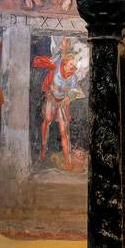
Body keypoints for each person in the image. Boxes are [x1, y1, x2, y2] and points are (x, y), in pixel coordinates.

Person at [32, 39, 84, 171]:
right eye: (71, 65)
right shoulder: (57, 66)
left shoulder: (73, 77)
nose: (73, 68)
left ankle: (68, 160)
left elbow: (76, 91)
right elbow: (62, 56)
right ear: (65, 64)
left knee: (63, 130)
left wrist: (69, 97)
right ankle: (43, 150)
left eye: (74, 66)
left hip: (61, 103)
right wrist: (64, 48)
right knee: (47, 120)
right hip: (51, 98)